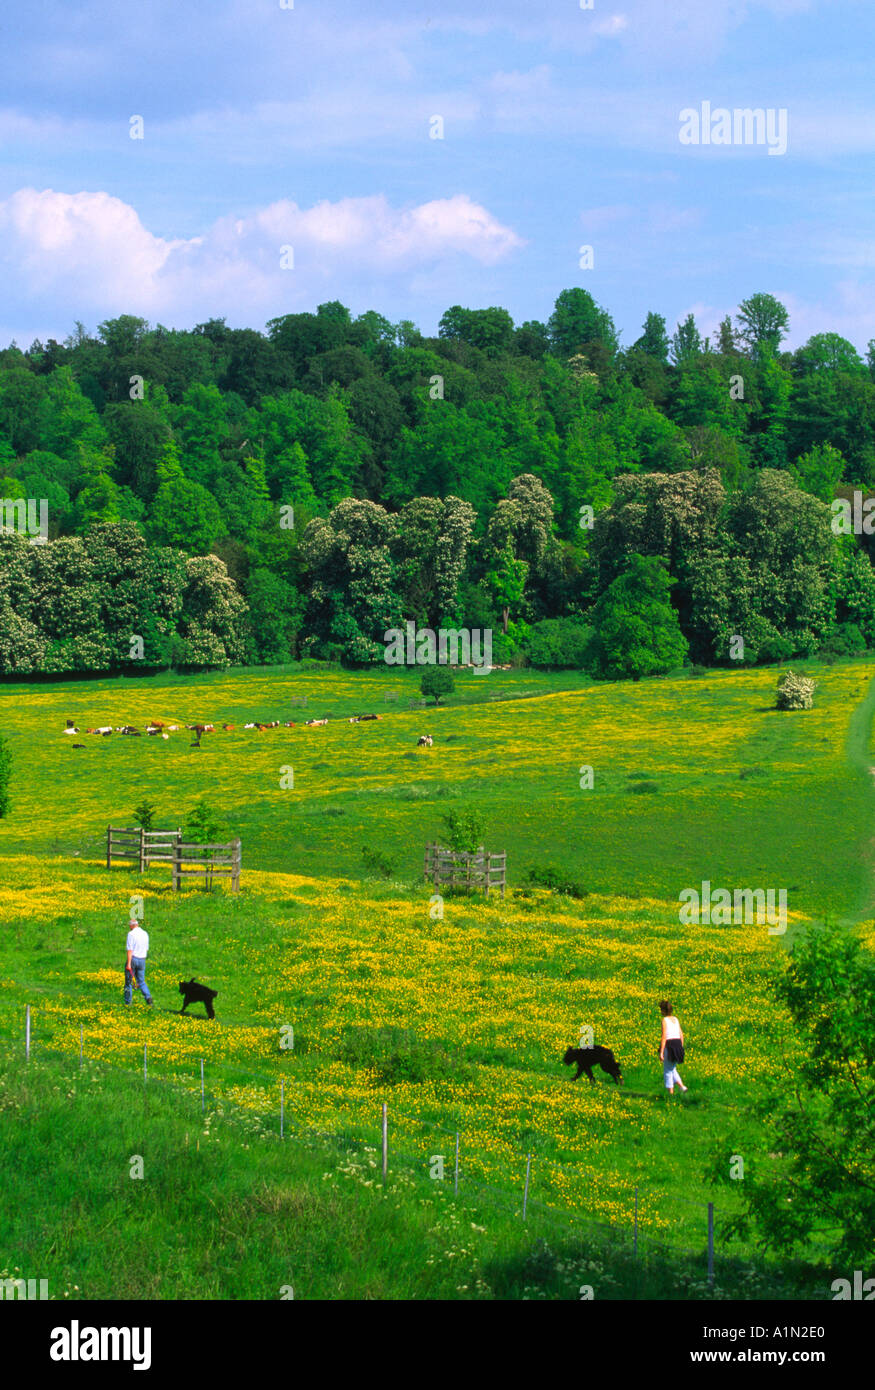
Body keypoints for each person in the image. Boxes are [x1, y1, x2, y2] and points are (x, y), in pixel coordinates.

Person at [659, 999, 687, 1096]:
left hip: (669, 1045)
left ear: (663, 1011)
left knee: (667, 1070)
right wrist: (680, 1047)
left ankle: (670, 1093)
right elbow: (681, 1034)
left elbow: (664, 1036)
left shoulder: (664, 1020)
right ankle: (682, 1087)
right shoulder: (675, 1019)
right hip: (678, 1044)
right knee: (672, 1068)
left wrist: (661, 1052)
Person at [124, 918, 153, 1007]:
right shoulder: (145, 933)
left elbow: (130, 950)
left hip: (133, 959)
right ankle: (148, 998)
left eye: (129, 926)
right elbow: (146, 948)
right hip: (142, 959)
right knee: (141, 981)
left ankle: (128, 1003)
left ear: (132, 925)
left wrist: (128, 964)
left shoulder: (131, 934)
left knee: (128, 982)